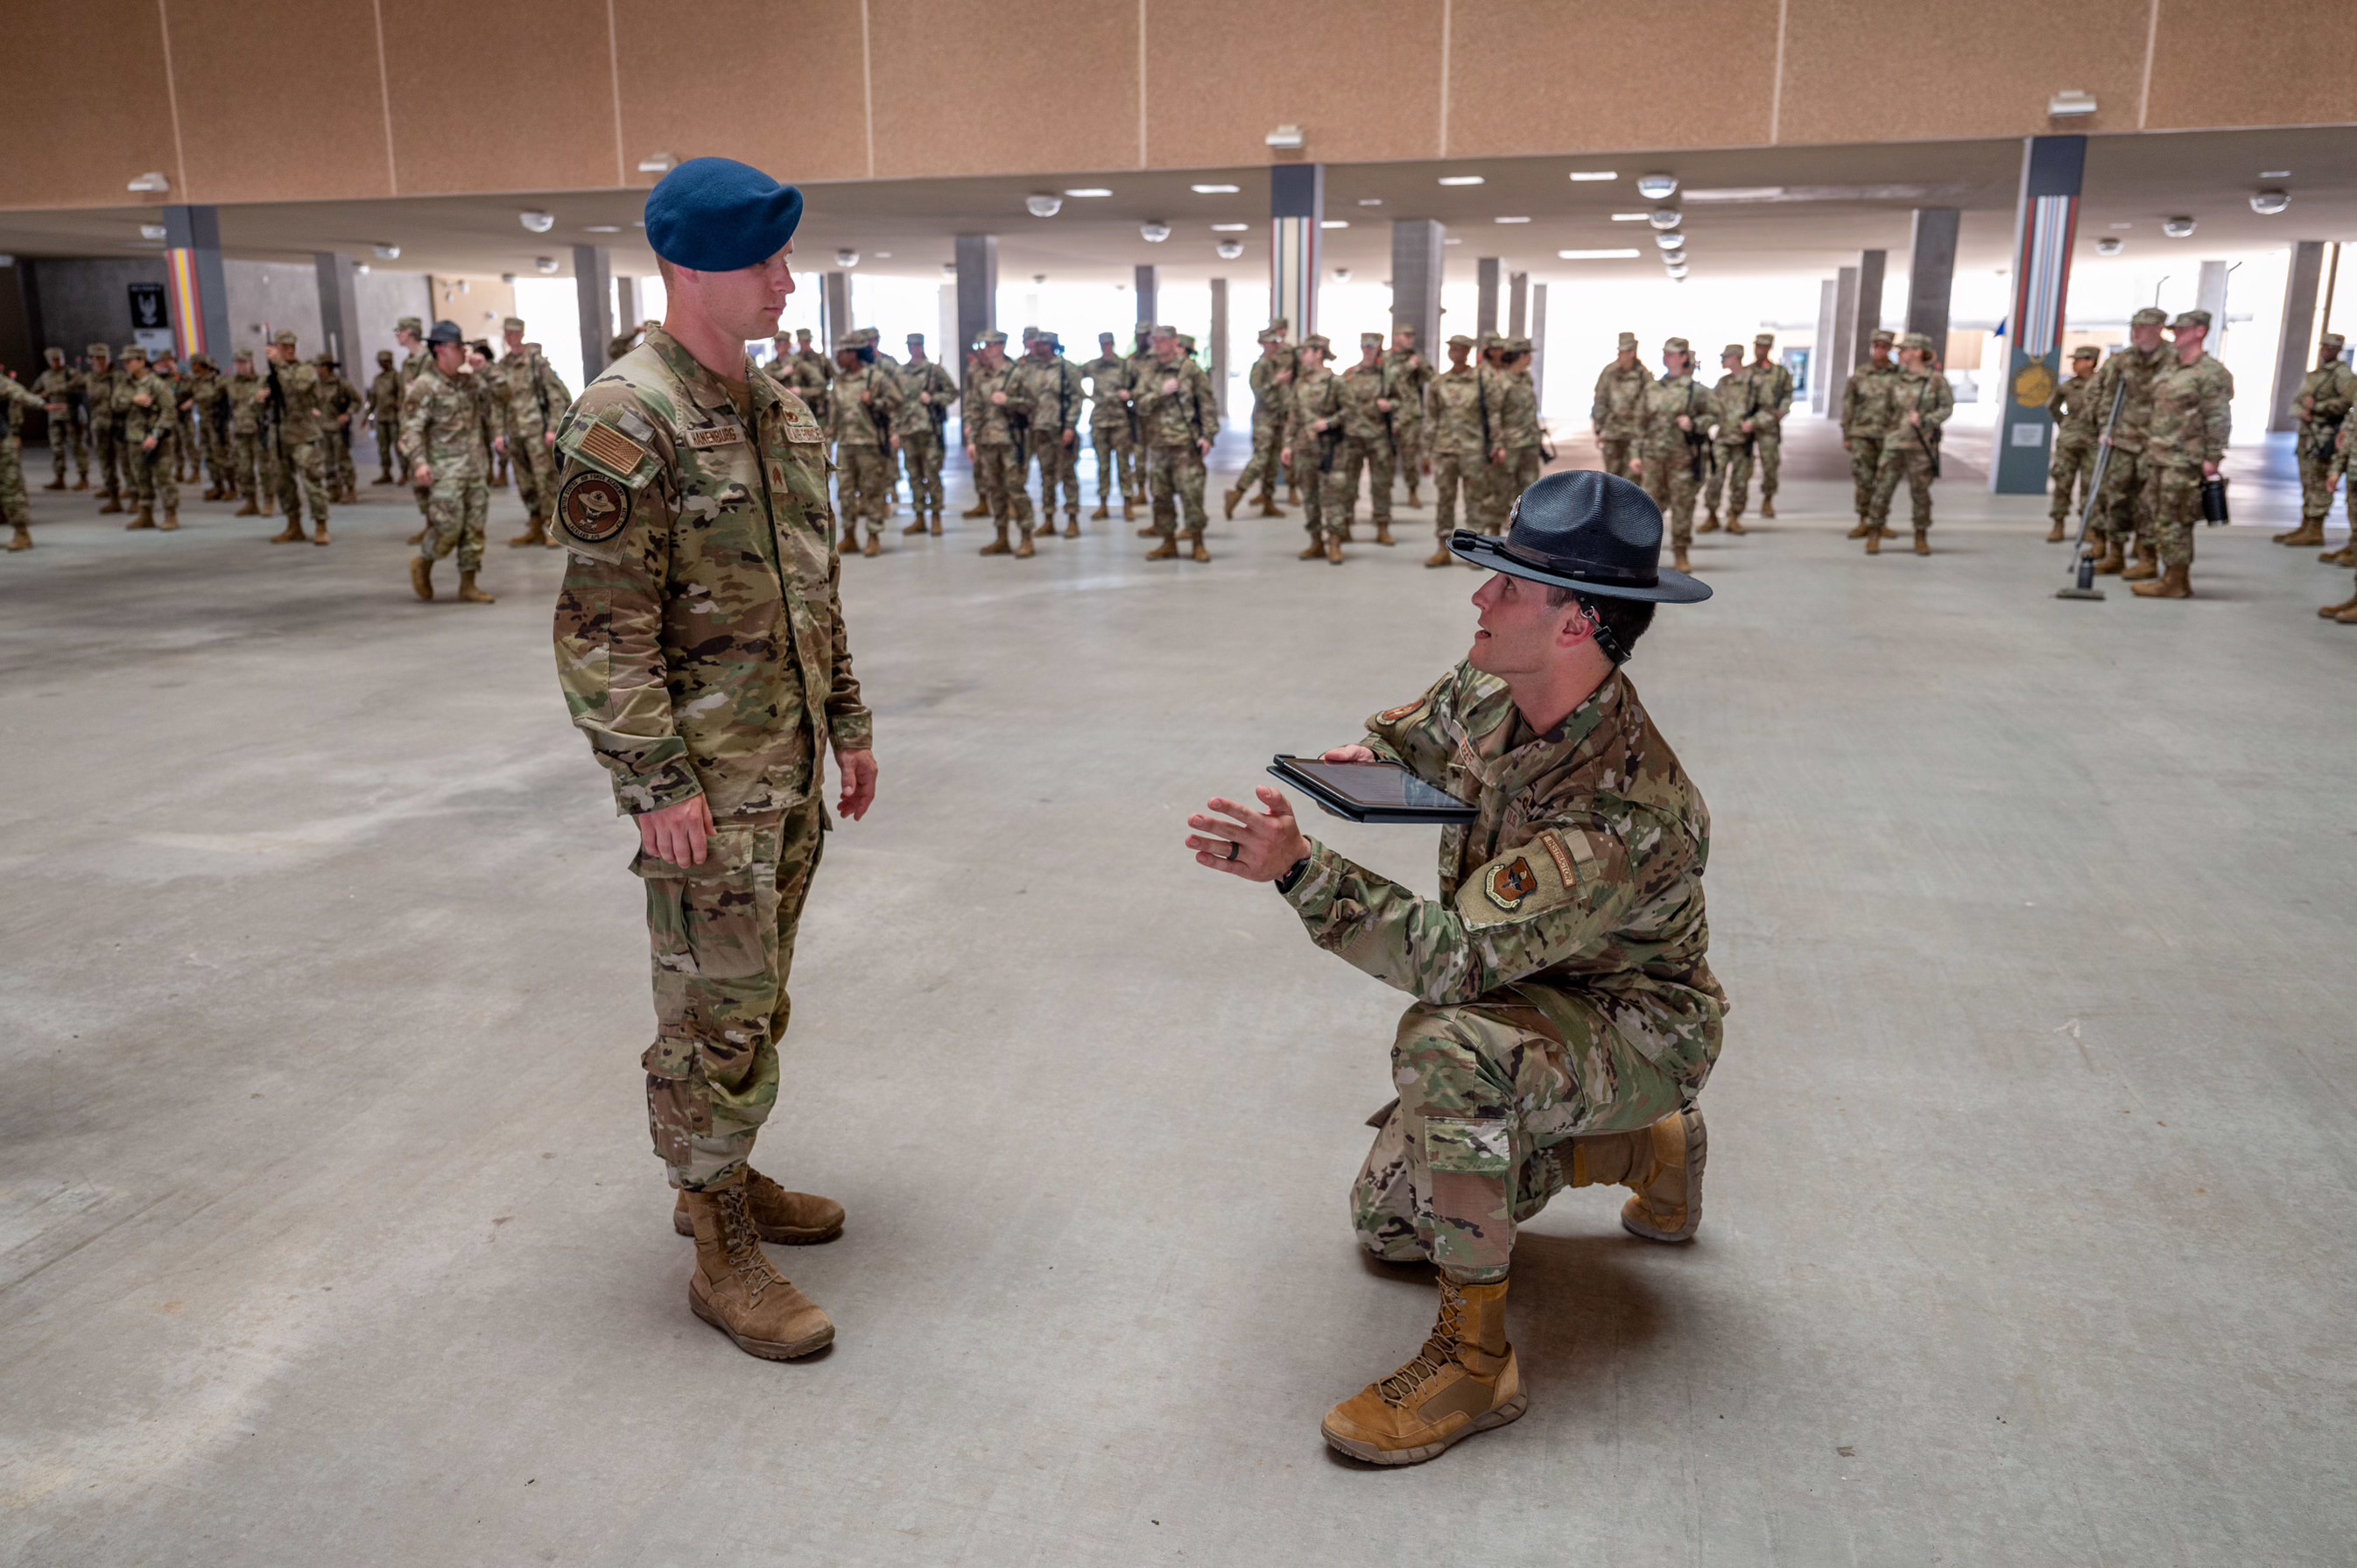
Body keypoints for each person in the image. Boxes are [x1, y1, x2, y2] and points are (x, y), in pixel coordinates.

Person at [1184, 469, 1720, 1466]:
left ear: (1577, 623)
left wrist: (1298, 868)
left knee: (1444, 1044)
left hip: (1633, 1022)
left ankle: (1475, 1363)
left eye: (1510, 586)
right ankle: (1639, 1151)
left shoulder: (1622, 812)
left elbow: (1455, 961)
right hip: (1532, 985)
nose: (1480, 596)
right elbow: (1416, 733)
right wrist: (1369, 759)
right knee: (1390, 1226)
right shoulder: (1493, 686)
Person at [552, 156, 873, 1363]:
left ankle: (728, 1173)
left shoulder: (776, 408)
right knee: (711, 1018)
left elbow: (812, 588)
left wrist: (850, 722)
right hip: (708, 786)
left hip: (786, 767)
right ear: (688, 268)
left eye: (786, 259)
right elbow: (603, 628)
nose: (787, 282)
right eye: (763, 262)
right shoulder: (625, 416)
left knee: (757, 994)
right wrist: (656, 783)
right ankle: (715, 1238)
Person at [2130, 310, 2232, 601]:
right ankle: (2167, 574)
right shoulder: (2171, 368)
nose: (2176, 335)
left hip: (2185, 459)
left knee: (2176, 520)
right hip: (2159, 455)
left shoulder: (2210, 372)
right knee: (2158, 516)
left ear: (2200, 331)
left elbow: (2218, 417)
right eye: (2175, 330)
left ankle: (2176, 580)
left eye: (2183, 330)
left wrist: (2213, 457)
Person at [402, 321, 496, 603]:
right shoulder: (424, 386)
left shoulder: (470, 382)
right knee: (448, 527)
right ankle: (424, 561)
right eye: (459, 347)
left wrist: (486, 369)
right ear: (441, 350)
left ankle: (468, 584)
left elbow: (503, 394)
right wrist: (419, 463)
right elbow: (410, 430)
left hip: (475, 467)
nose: (465, 353)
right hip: (445, 471)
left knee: (474, 529)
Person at [2088, 307, 2171, 578]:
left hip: (2158, 442)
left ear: (2159, 328)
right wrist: (2105, 428)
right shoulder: (2123, 361)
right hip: (2123, 441)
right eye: (2134, 328)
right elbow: (2106, 395)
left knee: (2150, 503)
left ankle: (2147, 557)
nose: (2136, 333)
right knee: (2117, 498)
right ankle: (2115, 553)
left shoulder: (2174, 359)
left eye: (2143, 328)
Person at [1863, 333, 1953, 557]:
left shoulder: (1935, 381)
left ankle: (1920, 534)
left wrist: (1926, 420)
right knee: (1882, 490)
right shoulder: (1895, 380)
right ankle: (1874, 532)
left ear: (1918, 352)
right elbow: (1884, 411)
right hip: (1894, 444)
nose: (1900, 353)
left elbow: (1946, 408)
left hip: (1921, 446)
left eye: (1904, 350)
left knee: (1921, 493)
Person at [1136, 324, 1220, 562]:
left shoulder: (1189, 370)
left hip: (1185, 444)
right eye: (1156, 340)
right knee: (1161, 496)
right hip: (1158, 444)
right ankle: (1168, 542)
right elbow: (1139, 404)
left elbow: (1207, 405)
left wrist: (1208, 436)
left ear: (1175, 343)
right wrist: (1160, 393)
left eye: (1163, 340)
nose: (1159, 344)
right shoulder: (1148, 371)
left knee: (1191, 495)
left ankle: (1197, 543)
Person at [1628, 337, 1710, 573]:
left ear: (1684, 357)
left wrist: (1694, 423)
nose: (1668, 358)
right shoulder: (1652, 389)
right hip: (1653, 458)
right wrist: (1635, 454)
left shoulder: (1696, 391)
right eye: (1666, 354)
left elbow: (1715, 416)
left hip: (1682, 459)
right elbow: (1639, 424)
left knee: (1683, 506)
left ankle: (1681, 552)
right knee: (1648, 508)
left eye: (1673, 354)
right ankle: (1642, 555)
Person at [492, 318, 574, 548]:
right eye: (507, 334)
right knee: (524, 481)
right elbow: (498, 402)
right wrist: (498, 433)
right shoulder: (503, 365)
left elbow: (555, 396)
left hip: (537, 431)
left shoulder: (537, 363)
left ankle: (554, 528)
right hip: (515, 432)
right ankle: (535, 526)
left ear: (522, 334)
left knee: (545, 479)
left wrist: (553, 428)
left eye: (514, 333)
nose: (511, 338)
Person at [1423, 334, 1496, 566]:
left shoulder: (1481, 381)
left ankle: (1475, 551)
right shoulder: (1438, 383)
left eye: (1460, 349)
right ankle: (1442, 547)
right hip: (1444, 449)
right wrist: (1426, 450)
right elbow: (1431, 418)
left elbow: (1492, 415)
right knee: (1445, 499)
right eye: (1452, 349)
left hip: (1473, 450)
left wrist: (1496, 444)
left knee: (1475, 501)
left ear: (1468, 352)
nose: (1456, 353)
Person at [827, 332, 902, 556]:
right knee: (846, 492)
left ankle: (873, 536)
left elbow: (897, 402)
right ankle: (849, 536)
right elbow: (834, 415)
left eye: (842, 353)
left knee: (872, 491)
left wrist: (875, 402)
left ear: (854, 354)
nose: (838, 357)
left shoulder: (875, 378)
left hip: (870, 444)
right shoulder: (839, 381)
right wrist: (828, 442)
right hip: (846, 444)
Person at [962, 329, 1037, 555]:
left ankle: (1026, 537)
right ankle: (1001, 537)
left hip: (1010, 441)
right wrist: (972, 440)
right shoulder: (979, 376)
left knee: (1015, 489)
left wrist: (1009, 401)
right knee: (995, 490)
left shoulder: (1017, 373)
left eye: (990, 346)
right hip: (987, 441)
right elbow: (973, 408)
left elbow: (1032, 404)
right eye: (983, 347)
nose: (985, 351)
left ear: (1001, 346)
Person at [2280, 332, 2354, 549]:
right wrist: (2301, 412)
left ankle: (2315, 527)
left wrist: (2319, 408)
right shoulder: (2316, 375)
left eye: (2330, 348)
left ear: (2338, 350)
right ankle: (2306, 523)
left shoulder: (2342, 375)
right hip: (2308, 434)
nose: (2326, 351)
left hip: (2325, 435)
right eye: (2324, 347)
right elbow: (2297, 402)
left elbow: (2346, 402)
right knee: (2308, 479)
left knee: (2320, 479)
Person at [259, 331, 332, 545]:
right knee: (283, 484)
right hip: (280, 436)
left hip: (303, 435)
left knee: (312, 481)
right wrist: (260, 397)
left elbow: (297, 388)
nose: (289, 350)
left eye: (292, 346)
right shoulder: (272, 375)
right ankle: (294, 526)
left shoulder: (305, 370)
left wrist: (280, 365)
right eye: (284, 347)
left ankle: (321, 526)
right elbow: (259, 398)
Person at [1012, 329, 1083, 538]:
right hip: (1039, 429)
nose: (1035, 348)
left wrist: (1070, 426)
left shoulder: (1066, 369)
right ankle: (1049, 519)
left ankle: (1072, 519)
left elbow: (1076, 399)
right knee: (1046, 475)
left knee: (1068, 474)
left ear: (1050, 346)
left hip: (1061, 430)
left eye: (1040, 345)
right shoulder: (1030, 369)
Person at [1284, 334, 1346, 562]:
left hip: (1330, 450)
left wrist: (1329, 422)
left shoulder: (1335, 382)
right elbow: (1293, 416)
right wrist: (1287, 445)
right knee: (1309, 497)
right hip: (1304, 447)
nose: (1302, 356)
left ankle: (1335, 544)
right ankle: (1316, 542)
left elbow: (1350, 411)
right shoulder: (1300, 383)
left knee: (1332, 498)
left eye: (1306, 352)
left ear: (1319, 353)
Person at [1336, 332, 1400, 546]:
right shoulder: (1349, 375)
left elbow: (1403, 401)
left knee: (1381, 484)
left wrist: (1390, 405)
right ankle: (1345, 524)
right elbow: (1338, 403)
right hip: (1352, 436)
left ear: (1379, 349)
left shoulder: (1387, 376)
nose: (1368, 350)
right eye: (1365, 346)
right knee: (1348, 483)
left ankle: (1382, 526)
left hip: (1378, 436)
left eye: (1372, 347)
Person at [1224, 329, 1291, 521]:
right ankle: (1237, 493)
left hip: (1278, 419)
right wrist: (1276, 382)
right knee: (1260, 459)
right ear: (1264, 344)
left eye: (1277, 343)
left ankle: (1268, 500)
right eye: (1273, 343)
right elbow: (1259, 392)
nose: (1276, 346)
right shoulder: (1260, 366)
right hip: (1264, 419)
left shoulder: (1277, 364)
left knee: (1273, 462)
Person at [112, 344, 180, 531]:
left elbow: (169, 412)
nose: (126, 365)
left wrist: (155, 435)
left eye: (130, 361)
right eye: (124, 362)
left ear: (142, 361)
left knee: (163, 478)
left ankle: (170, 514)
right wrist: (133, 399)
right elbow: (115, 403)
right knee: (140, 478)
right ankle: (146, 515)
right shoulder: (125, 384)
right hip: (134, 438)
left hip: (157, 440)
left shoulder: (157, 384)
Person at [1839, 329, 1899, 538]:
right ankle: (1864, 520)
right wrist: (1847, 434)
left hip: (1888, 435)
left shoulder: (1899, 375)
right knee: (1863, 479)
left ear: (1890, 349)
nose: (1880, 351)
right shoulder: (1860, 375)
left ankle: (1880, 522)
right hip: (1862, 434)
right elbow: (1848, 405)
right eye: (1876, 346)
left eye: (1884, 347)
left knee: (1885, 481)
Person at [895, 333, 955, 535]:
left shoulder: (934, 371)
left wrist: (934, 398)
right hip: (907, 430)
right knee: (914, 475)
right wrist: (895, 430)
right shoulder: (900, 373)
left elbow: (952, 393)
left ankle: (936, 516)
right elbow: (895, 402)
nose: (914, 349)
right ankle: (919, 516)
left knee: (932, 474)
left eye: (917, 346)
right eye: (911, 346)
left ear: (922, 347)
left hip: (929, 431)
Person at [2044, 345, 2104, 543]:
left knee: (2090, 485)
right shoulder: (2068, 386)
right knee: (2063, 482)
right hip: (2069, 442)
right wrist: (2065, 424)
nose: (2074, 364)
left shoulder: (2103, 385)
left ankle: (2087, 527)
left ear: (2090, 362)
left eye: (2078, 360)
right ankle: (2058, 523)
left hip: (2093, 442)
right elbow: (2053, 406)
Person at [1741, 333, 1793, 518]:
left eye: (1764, 347)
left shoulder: (1780, 373)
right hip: (1747, 423)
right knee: (1743, 465)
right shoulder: (1746, 371)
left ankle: (1768, 500)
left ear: (1770, 348)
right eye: (1758, 347)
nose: (1760, 351)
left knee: (1770, 464)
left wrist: (1782, 411)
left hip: (1769, 425)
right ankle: (1739, 502)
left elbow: (1788, 394)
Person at [1590, 332, 1651, 480]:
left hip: (1634, 436)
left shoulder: (1643, 375)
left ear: (1633, 352)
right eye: (1622, 352)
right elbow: (1600, 401)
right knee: (1612, 477)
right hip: (1612, 434)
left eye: (1628, 352)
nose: (1624, 356)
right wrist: (1599, 429)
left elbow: (1649, 404)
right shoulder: (1609, 372)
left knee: (1632, 479)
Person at [1385, 325, 1434, 510]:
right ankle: (1384, 494)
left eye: (1412, 336)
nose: (1410, 339)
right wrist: (1408, 367)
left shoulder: (1417, 357)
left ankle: (1412, 491)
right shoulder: (1386, 358)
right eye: (1406, 336)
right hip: (1389, 414)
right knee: (1385, 457)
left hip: (1411, 414)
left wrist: (1420, 366)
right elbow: (1388, 381)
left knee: (1410, 457)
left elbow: (1432, 378)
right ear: (1396, 337)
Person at [1700, 344, 1748, 534]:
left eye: (1725, 357)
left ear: (1735, 358)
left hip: (1743, 441)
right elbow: (1712, 407)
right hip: (1722, 439)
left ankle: (1734, 517)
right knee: (1715, 478)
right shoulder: (1723, 383)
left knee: (1740, 481)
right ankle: (1712, 515)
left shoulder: (1754, 382)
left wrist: (1754, 422)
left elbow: (1767, 409)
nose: (1722, 361)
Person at [1, 368, 50, 551]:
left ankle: (22, 533)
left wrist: (41, 404)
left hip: (2, 444)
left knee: (11, 488)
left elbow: (19, 394)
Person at [227, 350, 274, 517]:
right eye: (238, 363)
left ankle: (268, 500)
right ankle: (251, 502)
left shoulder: (262, 382)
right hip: (240, 431)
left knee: (265, 468)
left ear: (251, 363)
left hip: (258, 430)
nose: (241, 366)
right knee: (244, 468)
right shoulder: (231, 383)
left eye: (244, 362)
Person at [32, 347, 85, 492]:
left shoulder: (71, 373)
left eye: (58, 359)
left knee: (77, 447)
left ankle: (83, 477)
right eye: (53, 360)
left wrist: (50, 391)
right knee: (57, 448)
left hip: (71, 415)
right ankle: (59, 477)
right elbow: (34, 392)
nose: (56, 363)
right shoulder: (45, 376)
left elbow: (74, 386)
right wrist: (42, 400)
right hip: (55, 417)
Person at [85, 343, 126, 514]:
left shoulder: (120, 377)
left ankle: (135, 497)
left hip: (119, 426)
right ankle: (114, 498)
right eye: (96, 358)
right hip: (100, 427)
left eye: (103, 358)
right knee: (106, 463)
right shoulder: (88, 379)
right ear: (91, 360)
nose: (100, 362)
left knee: (128, 463)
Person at [369, 348, 404, 484]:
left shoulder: (397, 377)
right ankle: (386, 473)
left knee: (398, 447)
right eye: (381, 362)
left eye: (386, 361)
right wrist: (367, 415)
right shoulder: (378, 379)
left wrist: (399, 403)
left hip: (394, 418)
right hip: (381, 418)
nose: (384, 364)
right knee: (383, 448)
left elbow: (402, 393)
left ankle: (405, 472)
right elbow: (373, 398)